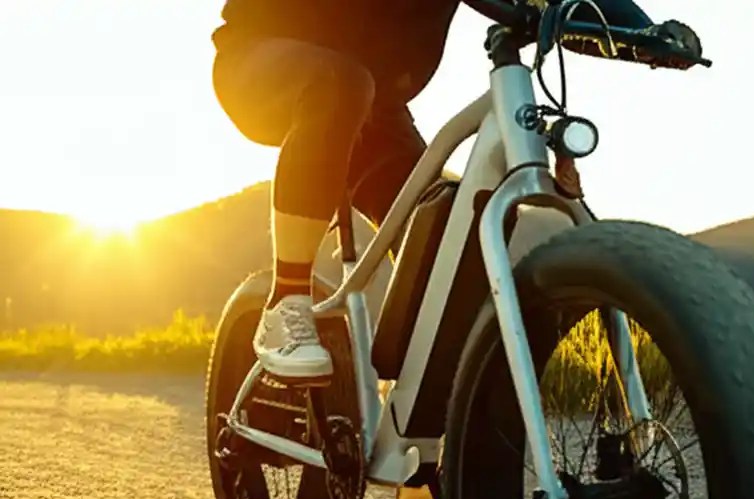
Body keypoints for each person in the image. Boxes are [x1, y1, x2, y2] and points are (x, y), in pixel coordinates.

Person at [210, 0, 674, 383]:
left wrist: (648, 37)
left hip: (375, 110)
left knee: (445, 238)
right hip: (261, 61)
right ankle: (286, 299)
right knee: (341, 85)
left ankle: (427, 458)